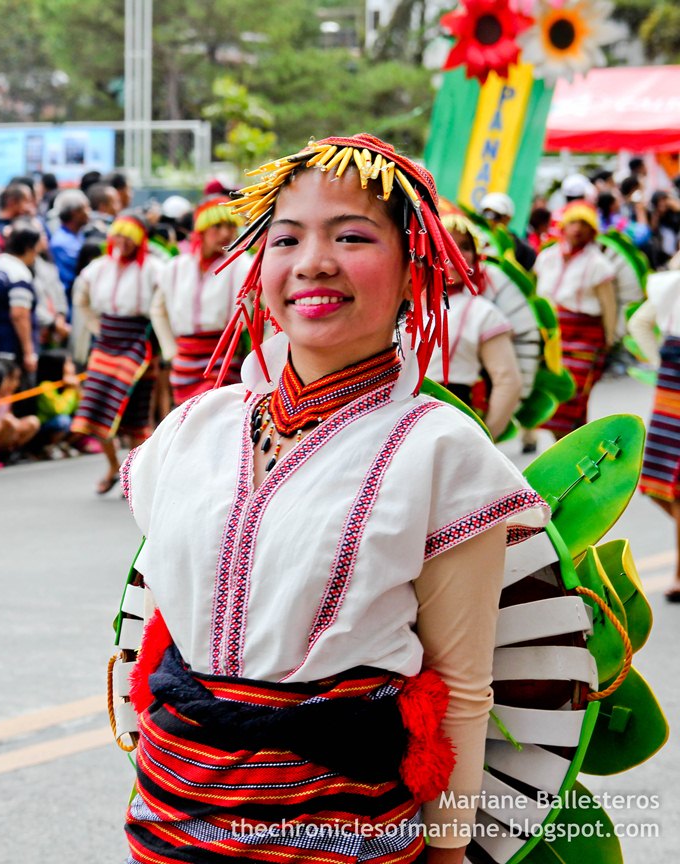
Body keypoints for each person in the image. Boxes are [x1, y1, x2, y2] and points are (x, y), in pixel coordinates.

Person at [119, 133, 550, 864]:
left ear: (414, 271)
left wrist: (449, 854)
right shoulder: (191, 431)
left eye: (351, 236)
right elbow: (160, 636)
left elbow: (461, 693)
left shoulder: (443, 451)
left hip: (341, 835)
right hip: (169, 822)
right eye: (286, 238)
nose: (314, 261)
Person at [70, 215, 165, 494]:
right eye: (118, 236)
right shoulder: (98, 268)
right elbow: (80, 299)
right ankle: (113, 466)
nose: (122, 242)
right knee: (95, 409)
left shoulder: (154, 269)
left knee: (137, 418)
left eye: (128, 237)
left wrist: (157, 348)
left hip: (138, 345)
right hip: (105, 344)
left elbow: (162, 310)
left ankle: (135, 476)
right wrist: (96, 327)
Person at [426, 217, 523, 439]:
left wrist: (485, 437)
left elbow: (508, 381)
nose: (455, 253)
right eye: (444, 243)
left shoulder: (483, 313)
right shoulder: (402, 304)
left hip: (452, 425)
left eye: (465, 247)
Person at [150, 197, 251, 405]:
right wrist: (170, 351)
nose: (225, 233)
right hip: (184, 360)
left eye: (230, 226)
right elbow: (157, 310)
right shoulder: (176, 267)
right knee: (186, 416)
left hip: (225, 359)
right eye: (217, 226)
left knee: (216, 412)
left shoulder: (243, 264)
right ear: (201, 230)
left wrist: (261, 353)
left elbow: (269, 310)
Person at [533, 203, 617, 439]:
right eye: (572, 223)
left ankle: (569, 445)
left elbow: (609, 305)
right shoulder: (547, 257)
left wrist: (610, 338)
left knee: (574, 396)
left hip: (584, 337)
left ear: (592, 231)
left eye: (584, 224)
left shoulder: (599, 264)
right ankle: (571, 447)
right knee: (554, 393)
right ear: (563, 226)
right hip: (551, 335)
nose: (577, 229)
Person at [627, 271, 680, 601]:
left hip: (671, 382)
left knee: (672, 481)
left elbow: (638, 324)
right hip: (671, 384)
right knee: (662, 478)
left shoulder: (673, 282)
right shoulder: (672, 282)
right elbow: (639, 324)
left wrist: (660, 362)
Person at [0, 220, 42, 375]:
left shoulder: (0, 262)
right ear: (29, 248)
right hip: (11, 348)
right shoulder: (19, 274)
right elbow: (19, 315)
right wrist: (28, 352)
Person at [48, 189, 90, 292]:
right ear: (75, 213)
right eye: (86, 208)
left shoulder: (79, 234)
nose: (89, 212)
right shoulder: (61, 243)